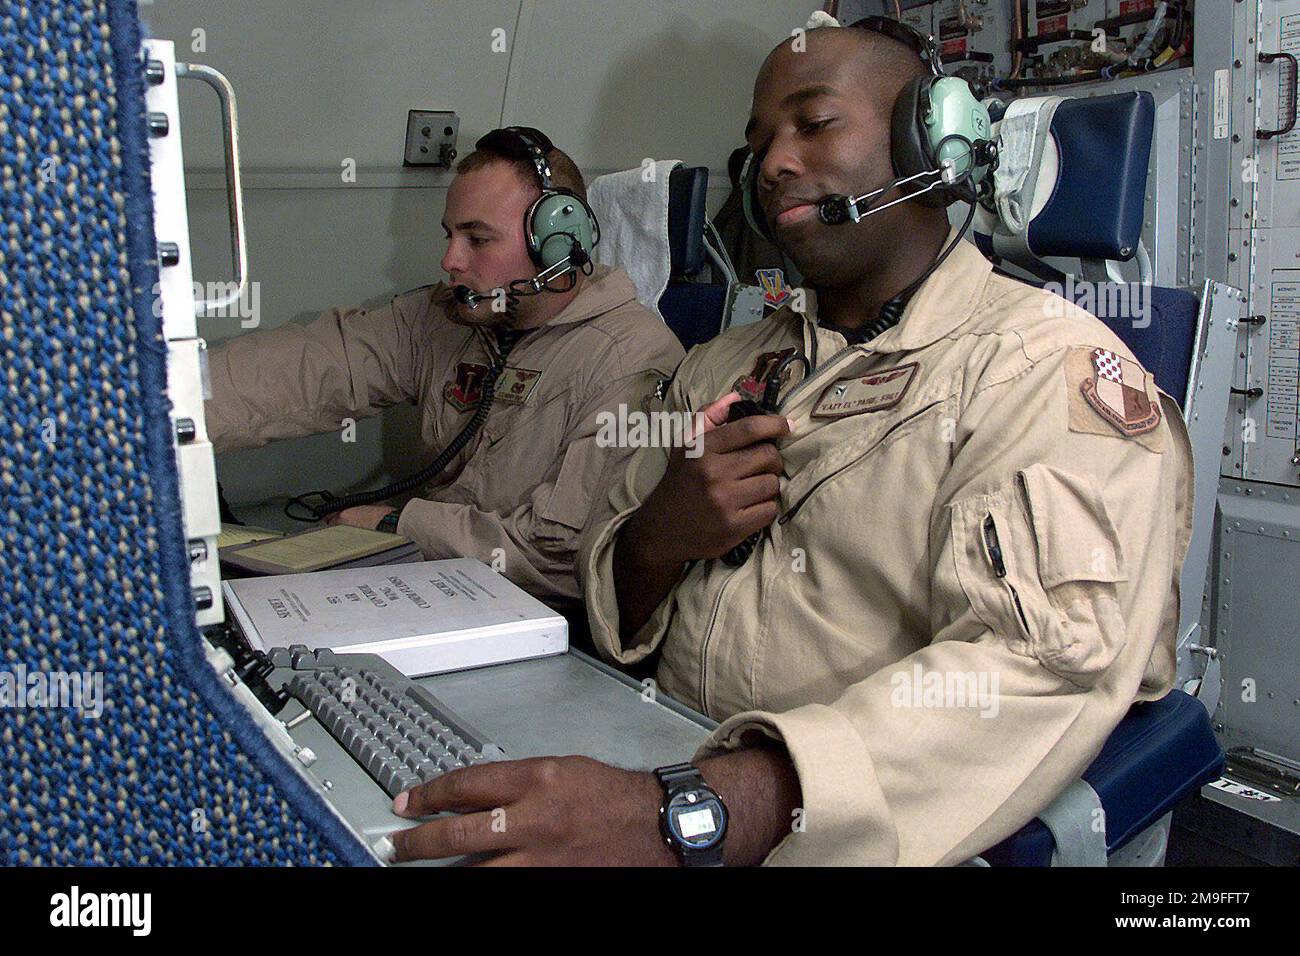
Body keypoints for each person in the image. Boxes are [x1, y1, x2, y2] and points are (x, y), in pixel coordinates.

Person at [384, 20, 1192, 866]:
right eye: (758, 141)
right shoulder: (720, 365)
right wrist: (664, 531)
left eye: (814, 123)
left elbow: (1031, 674)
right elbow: (610, 581)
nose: (772, 163)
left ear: (934, 138)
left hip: (825, 830)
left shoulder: (1041, 375)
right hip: (663, 758)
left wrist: (687, 814)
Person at [205, 127, 684, 606]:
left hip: (530, 618)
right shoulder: (451, 318)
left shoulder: (628, 360)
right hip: (425, 585)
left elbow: (560, 561)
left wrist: (398, 523)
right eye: (451, 235)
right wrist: (159, 404)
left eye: (477, 239)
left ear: (559, 244)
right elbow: (313, 366)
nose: (450, 260)